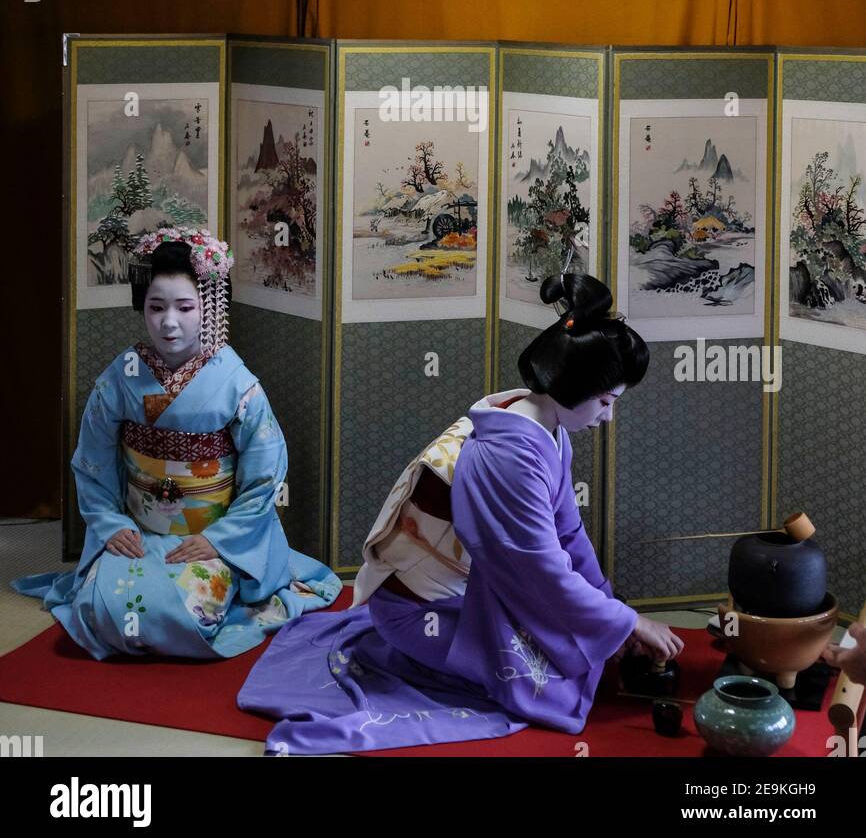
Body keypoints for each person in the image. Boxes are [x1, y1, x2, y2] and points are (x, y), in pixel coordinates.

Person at [237, 272, 683, 753]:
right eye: (605, 400)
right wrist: (622, 623)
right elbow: (541, 571)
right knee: (548, 677)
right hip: (418, 613)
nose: (607, 415)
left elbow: (568, 534)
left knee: (581, 645)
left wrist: (613, 612)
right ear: (571, 384)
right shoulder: (511, 455)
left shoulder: (538, 421)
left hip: (465, 587)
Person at [12, 227, 341, 659]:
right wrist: (113, 526)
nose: (169, 322)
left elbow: (265, 475)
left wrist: (221, 539)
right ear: (142, 308)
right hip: (137, 531)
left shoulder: (235, 384)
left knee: (186, 613)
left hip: (210, 536)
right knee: (103, 610)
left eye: (185, 307)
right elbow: (91, 463)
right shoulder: (120, 378)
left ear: (208, 306)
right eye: (156, 307)